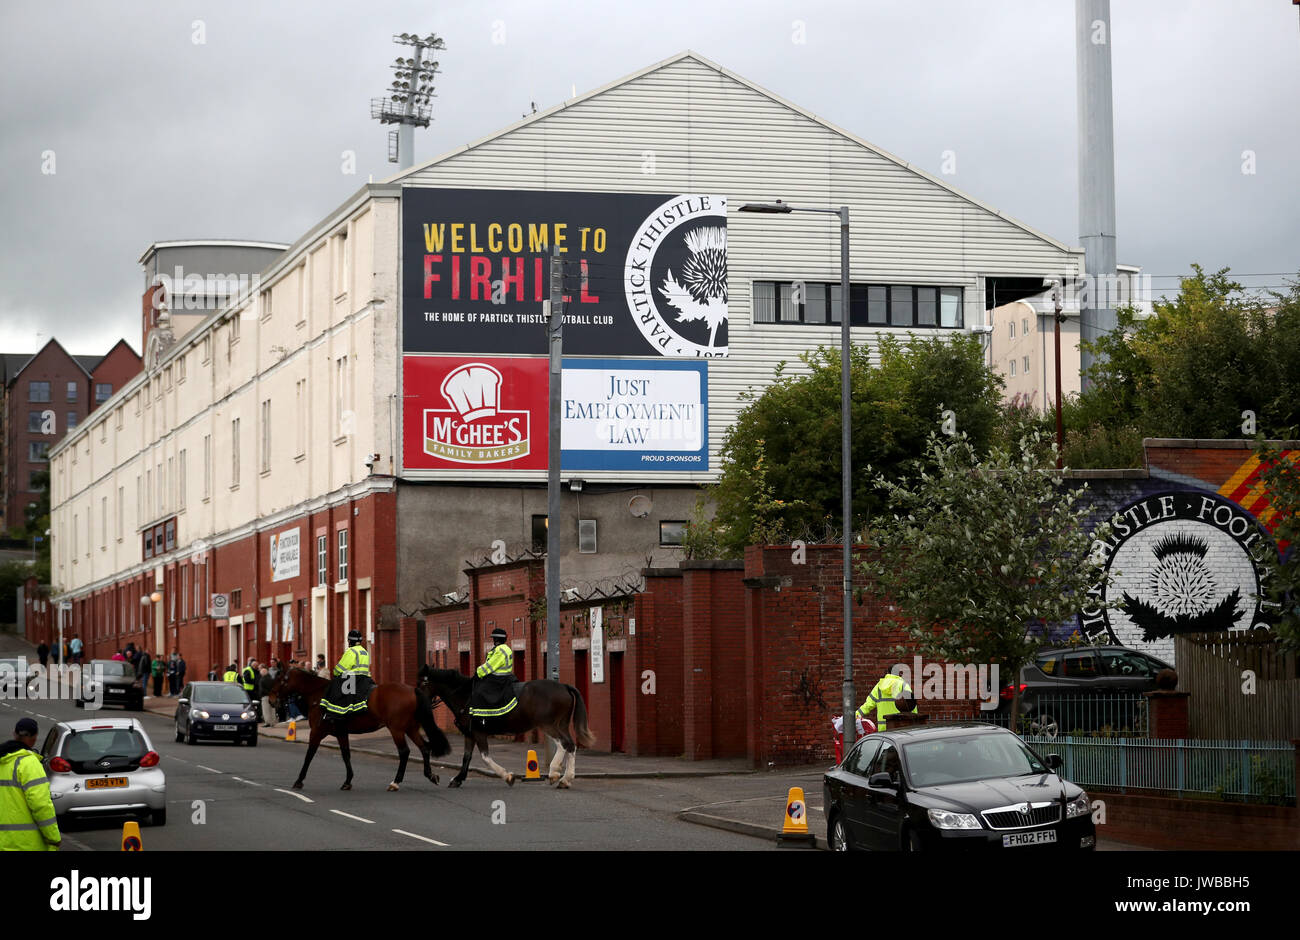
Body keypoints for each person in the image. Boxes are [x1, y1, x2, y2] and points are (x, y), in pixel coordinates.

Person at [0, 718, 60, 851]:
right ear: (34, 737)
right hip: (26, 844)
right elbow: (41, 805)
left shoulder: (2, 761)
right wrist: (53, 837)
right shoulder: (29, 764)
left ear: (14, 734)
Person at [318, 630, 373, 722]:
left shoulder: (351, 651)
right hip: (365, 679)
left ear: (350, 641)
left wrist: (335, 672)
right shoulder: (365, 652)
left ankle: (332, 714)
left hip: (352, 678)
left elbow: (340, 669)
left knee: (333, 688)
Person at [468, 627, 518, 721]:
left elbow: (491, 665)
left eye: (494, 639)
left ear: (497, 639)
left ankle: (482, 717)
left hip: (498, 678)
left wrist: (478, 672)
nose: (493, 641)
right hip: (504, 677)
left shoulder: (500, 650)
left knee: (479, 691)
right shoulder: (504, 648)